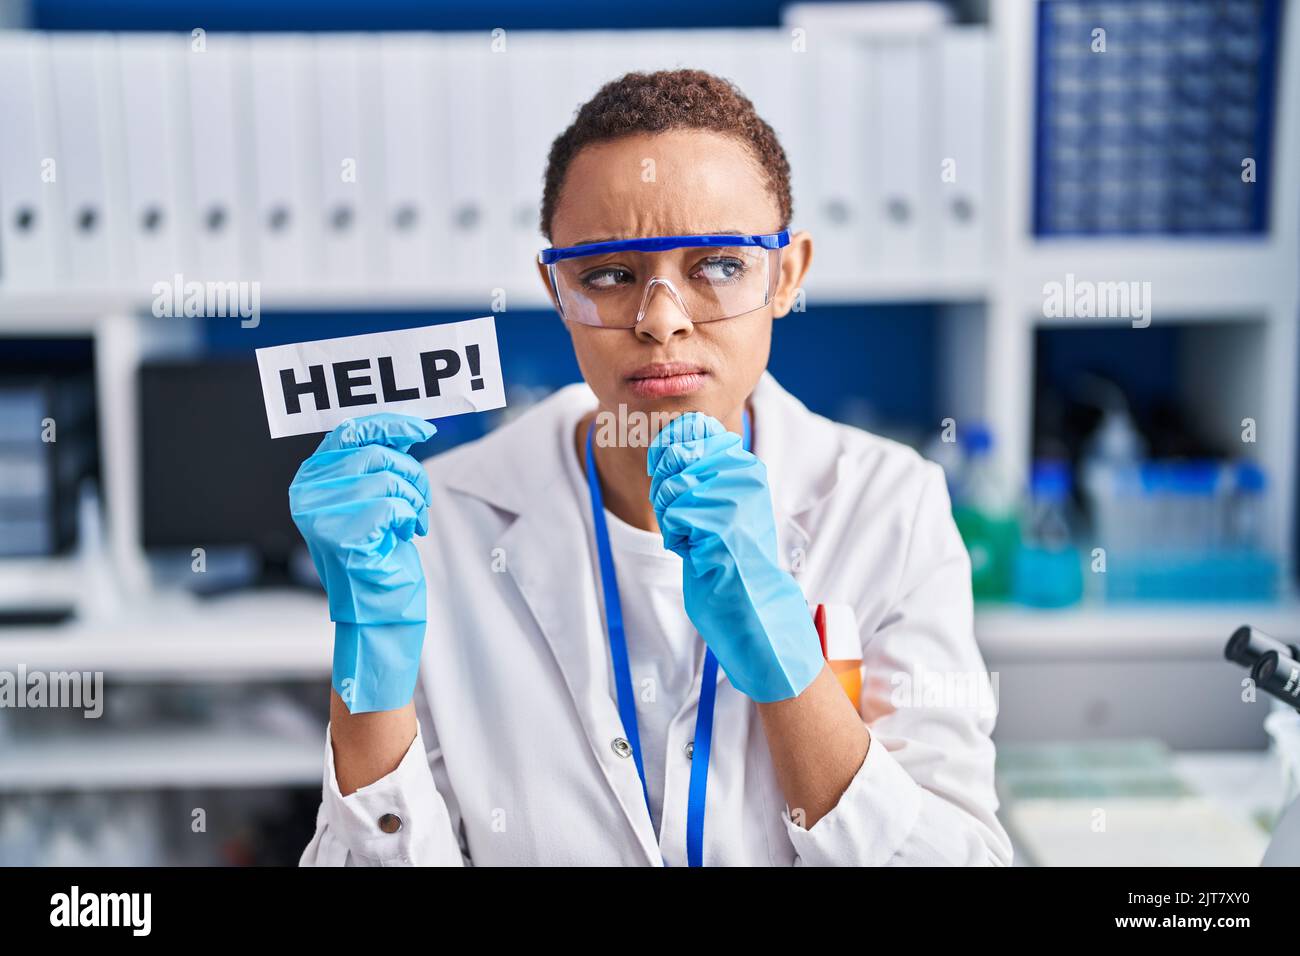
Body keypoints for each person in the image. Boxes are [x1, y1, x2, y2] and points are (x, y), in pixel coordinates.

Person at [293, 69, 1012, 866]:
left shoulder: (887, 507)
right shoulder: (442, 527)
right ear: (556, 289)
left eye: (717, 266)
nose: (661, 320)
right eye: (609, 275)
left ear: (788, 275)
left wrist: (791, 673)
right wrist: (370, 674)